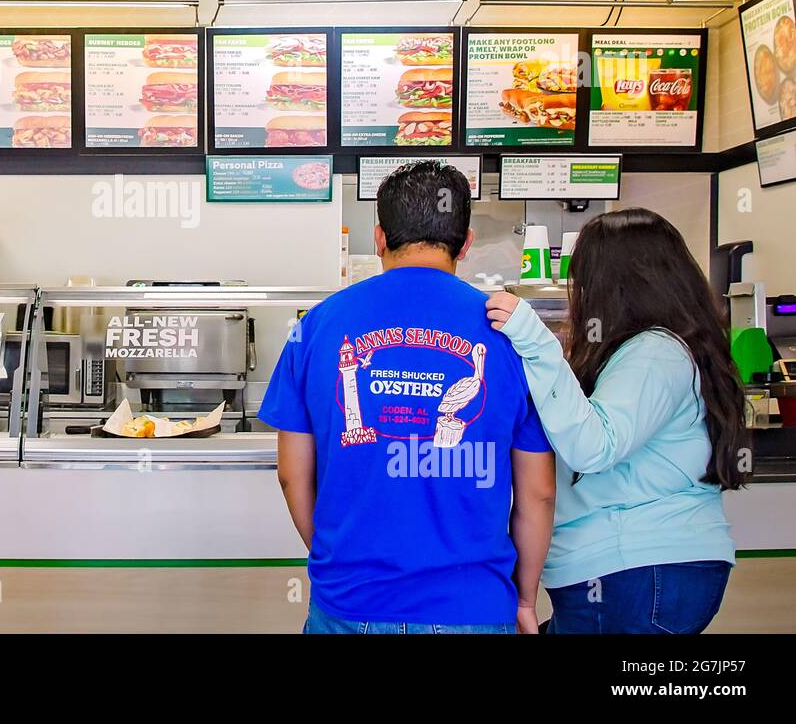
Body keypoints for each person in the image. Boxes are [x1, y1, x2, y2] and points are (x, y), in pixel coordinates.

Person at [262, 160, 556, 634]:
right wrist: (524, 600)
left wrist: (338, 562)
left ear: (379, 238)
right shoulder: (512, 334)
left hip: (348, 603)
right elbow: (538, 494)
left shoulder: (317, 325)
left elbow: (291, 476)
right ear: (466, 243)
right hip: (473, 606)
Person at [486, 208, 747, 634]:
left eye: (584, 276)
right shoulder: (648, 351)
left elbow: (594, 447)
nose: (579, 291)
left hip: (638, 571)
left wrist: (536, 341)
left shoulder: (657, 353)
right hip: (636, 574)